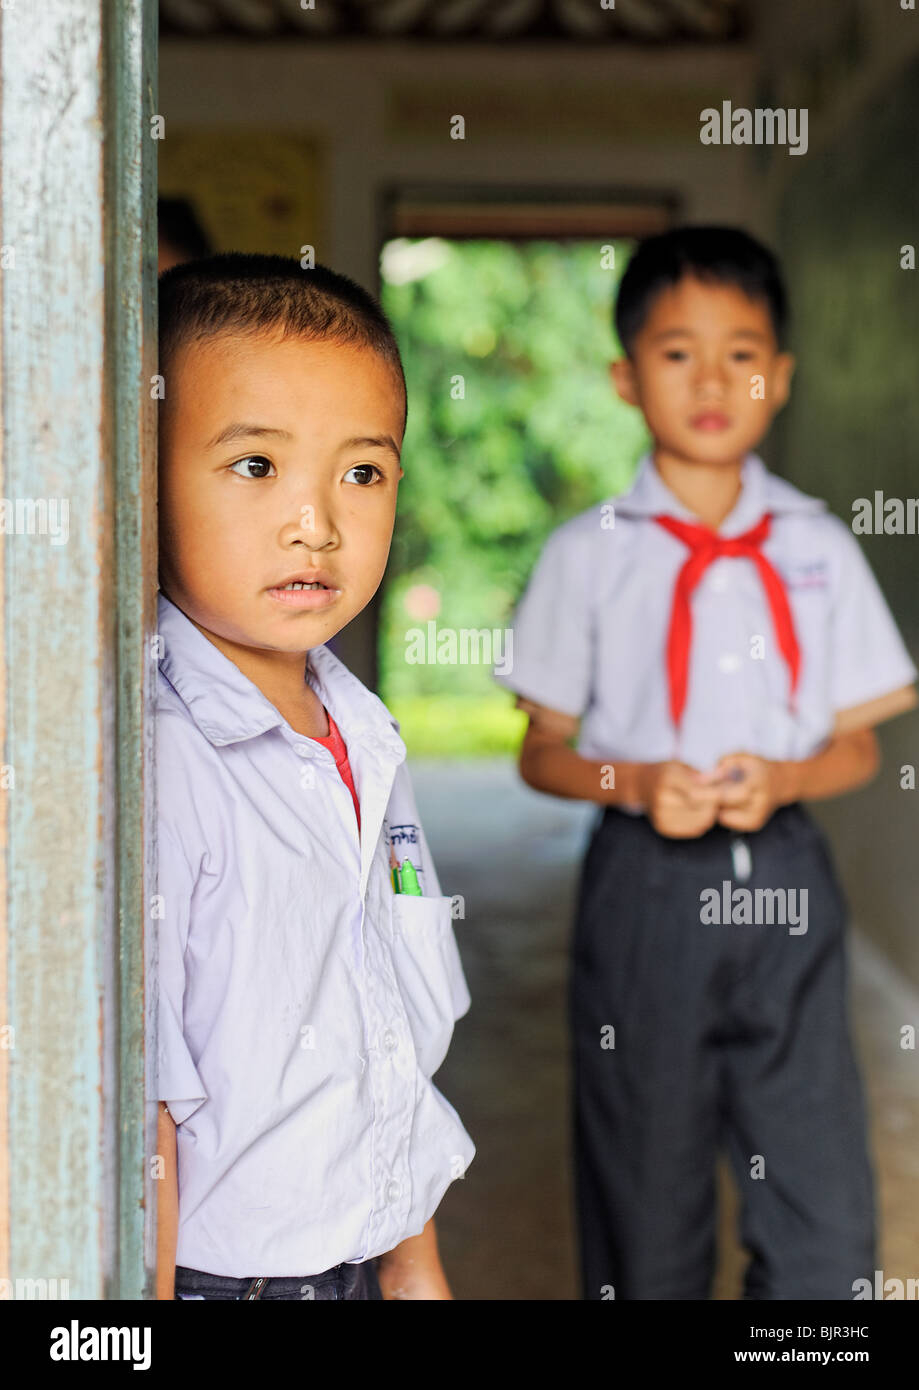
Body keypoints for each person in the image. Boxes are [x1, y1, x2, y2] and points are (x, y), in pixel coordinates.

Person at [493, 226, 917, 1301]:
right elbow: (542, 750)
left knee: (820, 1193)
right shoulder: (587, 551)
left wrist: (781, 779)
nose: (715, 379)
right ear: (625, 377)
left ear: (780, 376)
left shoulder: (818, 543)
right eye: (679, 352)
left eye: (743, 350)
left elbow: (858, 742)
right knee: (644, 1187)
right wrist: (629, 782)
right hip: (644, 885)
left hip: (784, 877)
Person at [154, 252, 474, 1301]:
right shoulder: (158, 763)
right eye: (255, 466)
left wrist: (414, 1263)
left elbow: (383, 1025)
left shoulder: (363, 735)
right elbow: (137, 1110)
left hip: (361, 1265)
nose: (317, 522)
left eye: (363, 470)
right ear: (142, 474)